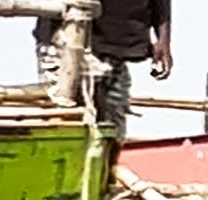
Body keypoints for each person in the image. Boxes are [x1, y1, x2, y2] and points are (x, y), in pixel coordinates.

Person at [34, 0, 173, 141]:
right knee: (67, 126)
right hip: (68, 42)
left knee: (111, 135)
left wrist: (163, 41)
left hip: (118, 46)